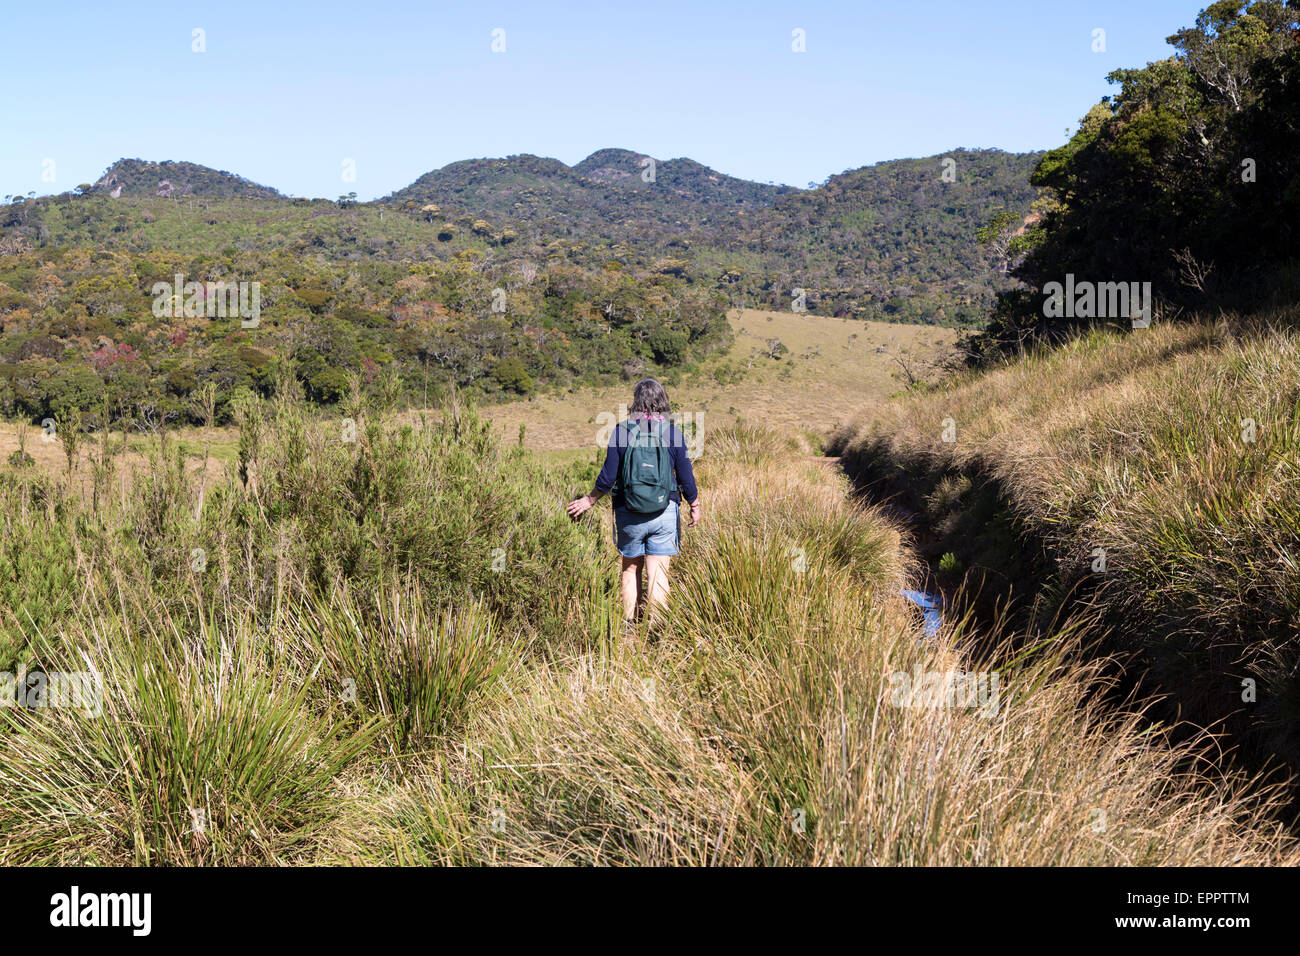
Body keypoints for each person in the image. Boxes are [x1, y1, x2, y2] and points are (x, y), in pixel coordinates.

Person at [567, 379, 701, 632]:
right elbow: (685, 475)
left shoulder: (622, 431)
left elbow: (608, 477)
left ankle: (629, 630)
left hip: (628, 513)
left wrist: (589, 500)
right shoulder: (672, 433)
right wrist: (694, 503)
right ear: (663, 400)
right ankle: (657, 630)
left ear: (635, 401)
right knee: (658, 572)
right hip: (664, 511)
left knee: (630, 569)